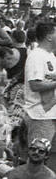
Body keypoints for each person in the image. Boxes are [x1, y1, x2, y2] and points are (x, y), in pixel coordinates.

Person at [24, 21, 56, 152]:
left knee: (49, 157)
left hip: (50, 114)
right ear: (49, 36)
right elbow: (35, 85)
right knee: (37, 155)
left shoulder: (50, 56)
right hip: (39, 116)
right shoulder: (37, 56)